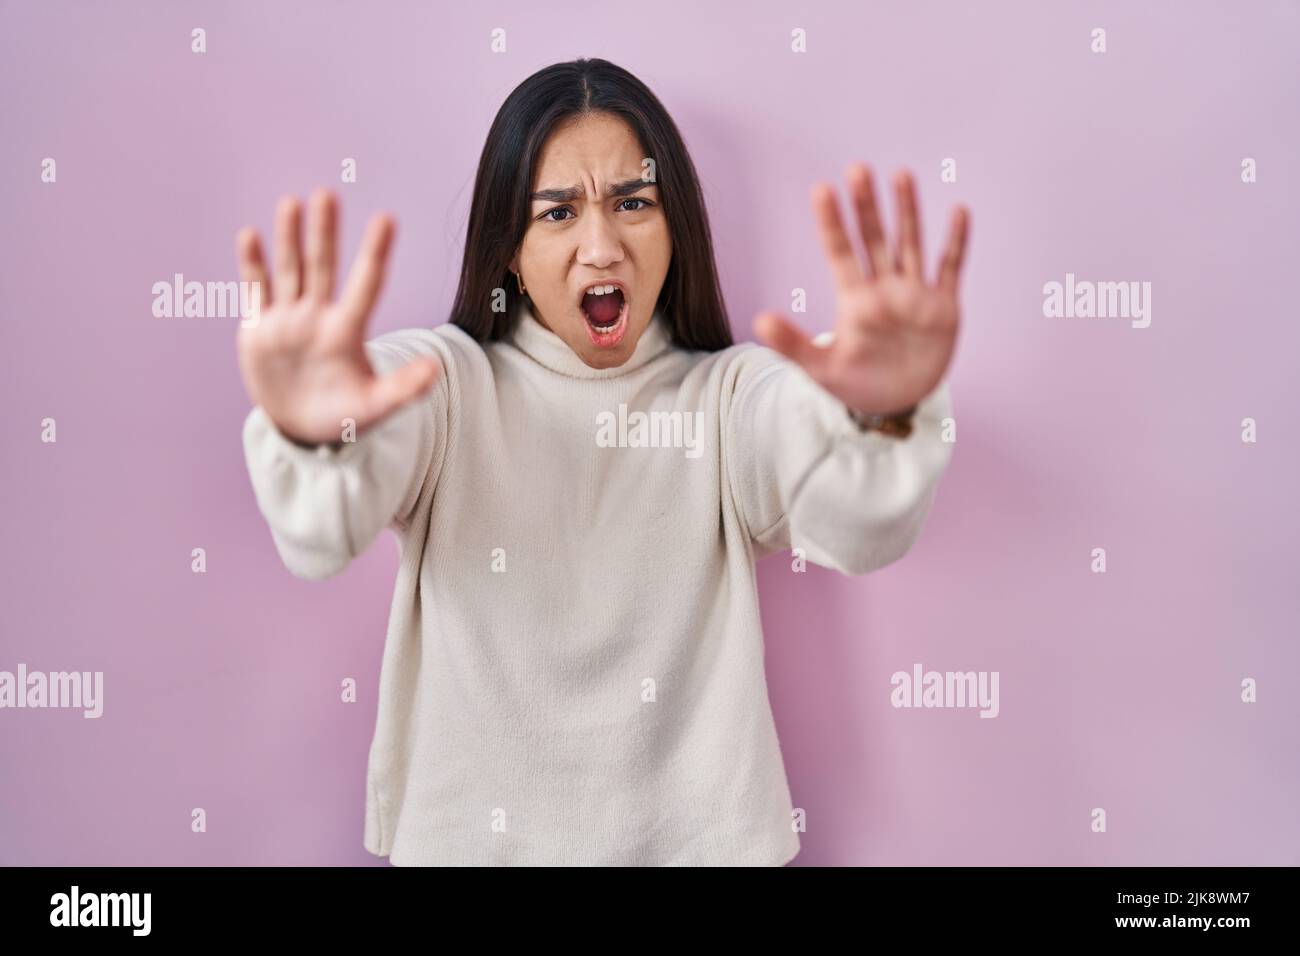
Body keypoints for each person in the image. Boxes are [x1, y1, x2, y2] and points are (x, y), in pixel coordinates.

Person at [235, 57, 969, 866]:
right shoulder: (445, 385)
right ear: (508, 249)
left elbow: (852, 517)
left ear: (674, 226)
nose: (601, 246)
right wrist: (315, 429)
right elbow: (324, 526)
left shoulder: (727, 399)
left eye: (633, 203)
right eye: (557, 213)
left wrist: (876, 413)